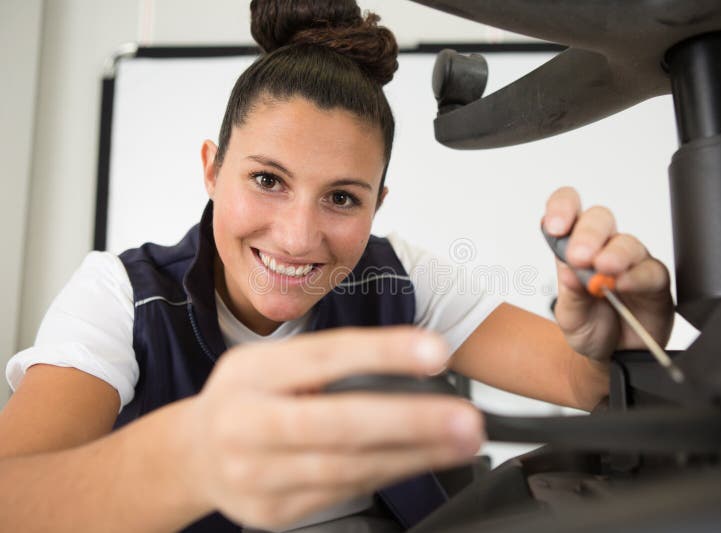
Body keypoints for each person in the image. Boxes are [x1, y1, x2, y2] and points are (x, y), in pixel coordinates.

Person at [0, 1, 674, 531]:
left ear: (379, 202)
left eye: (343, 198)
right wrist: (189, 455)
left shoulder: (402, 277)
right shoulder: (120, 296)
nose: (297, 237)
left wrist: (611, 339)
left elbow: (587, 385)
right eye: (267, 179)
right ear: (212, 167)